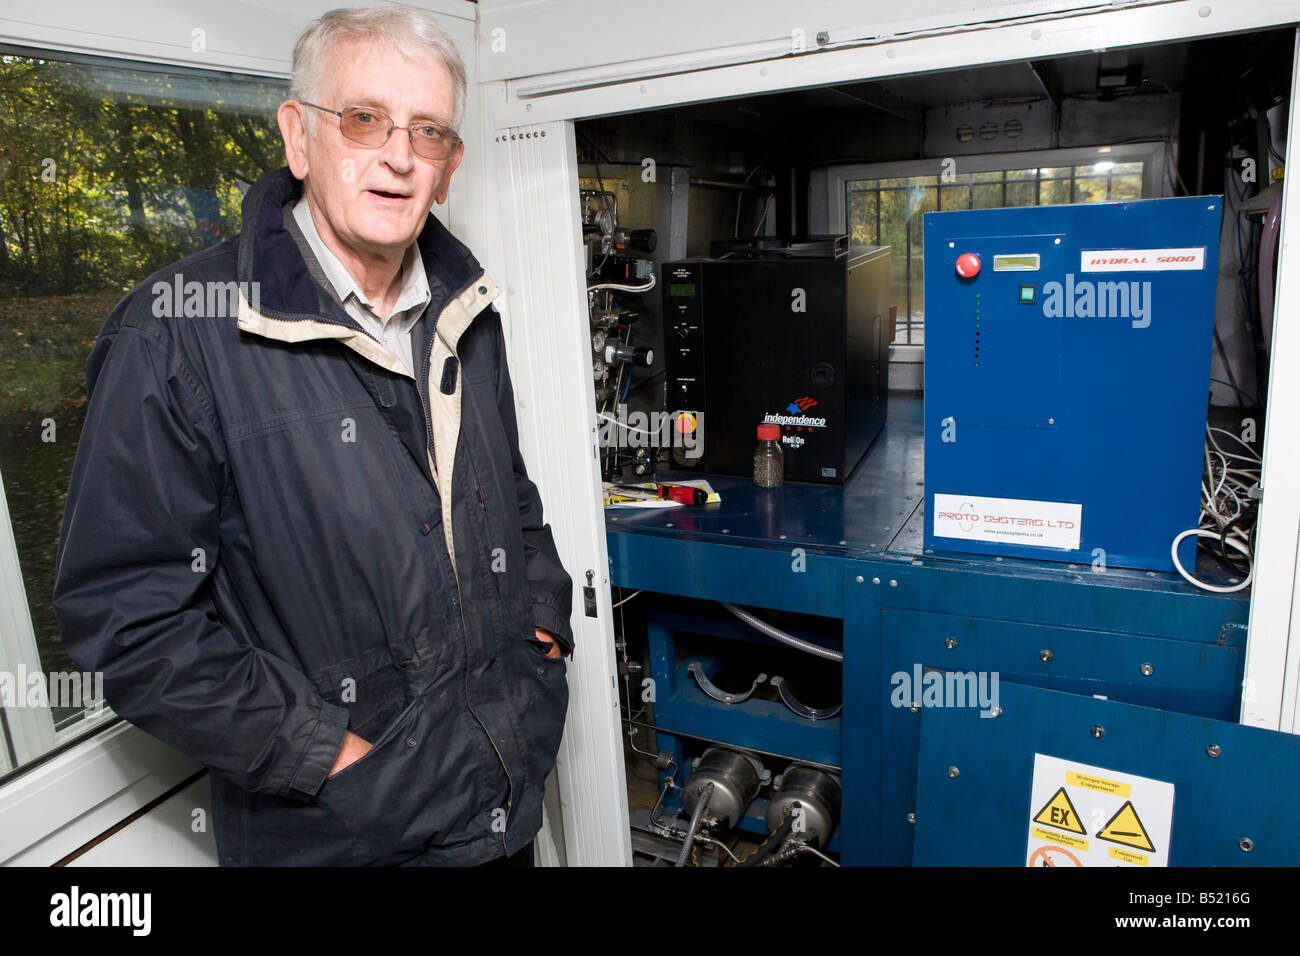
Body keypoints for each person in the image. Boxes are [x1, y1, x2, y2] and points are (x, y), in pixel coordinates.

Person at [52, 6, 573, 867]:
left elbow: (511, 498)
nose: (399, 156)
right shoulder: (176, 334)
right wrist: (326, 756)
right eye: (364, 118)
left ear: (448, 168)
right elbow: (128, 619)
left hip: (504, 805)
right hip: (343, 840)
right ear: (298, 138)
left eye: (429, 130)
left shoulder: (467, 314)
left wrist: (541, 631)